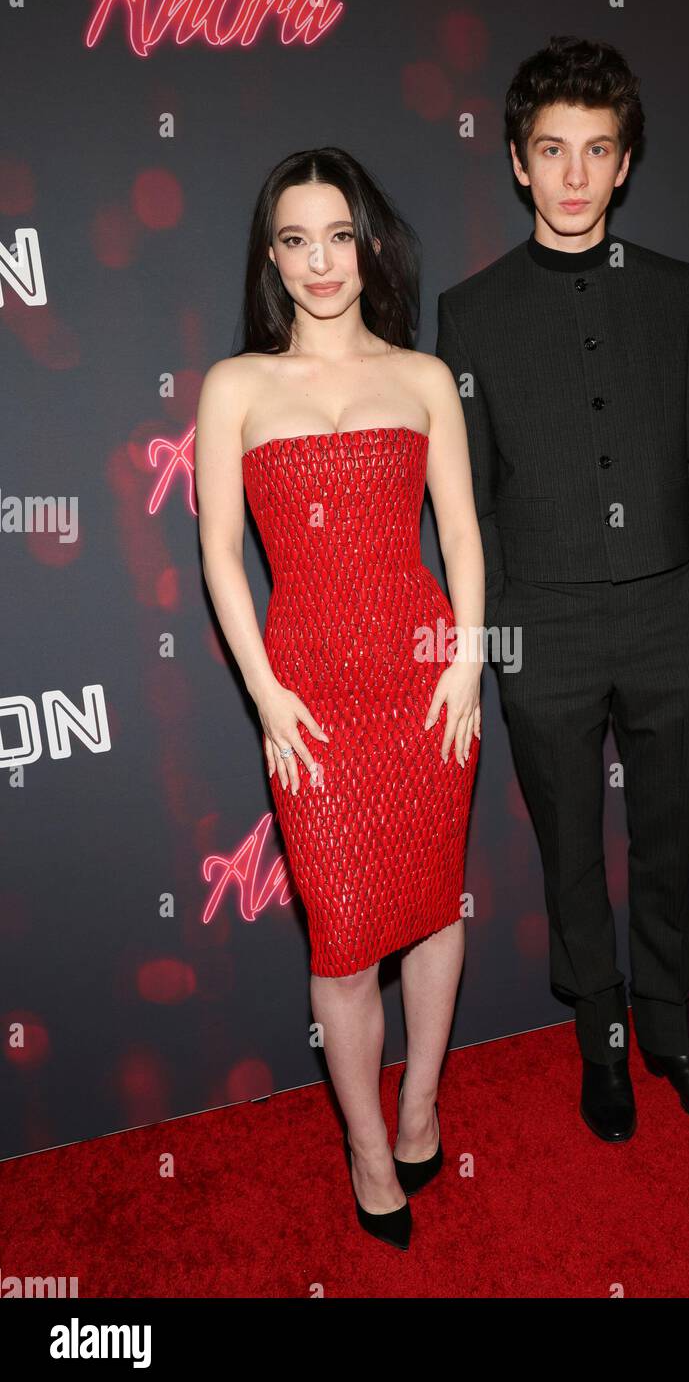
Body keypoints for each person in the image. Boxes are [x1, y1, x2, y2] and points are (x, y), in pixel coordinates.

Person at [436, 36, 689, 1143]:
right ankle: (603, 1046)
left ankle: (672, 1036)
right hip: (545, 635)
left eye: (595, 151)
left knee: (668, 840)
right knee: (572, 857)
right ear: (519, 161)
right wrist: (502, 632)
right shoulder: (470, 315)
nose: (573, 175)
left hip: (671, 617)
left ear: (623, 163)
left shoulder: (674, 290)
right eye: (552, 150)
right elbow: (465, 502)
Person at [195, 149, 484, 1247]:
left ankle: (418, 1106)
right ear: (271, 258)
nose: (321, 261)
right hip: (308, 698)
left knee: (432, 910)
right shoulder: (236, 386)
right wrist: (266, 694)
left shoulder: (420, 376)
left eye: (338, 234)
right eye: (294, 239)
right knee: (345, 939)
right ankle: (366, 1143)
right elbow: (221, 554)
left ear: (370, 244)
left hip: (424, 688)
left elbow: (458, 532)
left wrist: (464, 663)